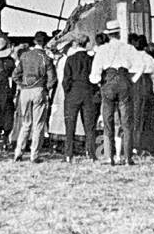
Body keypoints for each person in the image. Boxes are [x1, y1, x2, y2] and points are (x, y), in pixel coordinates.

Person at [90, 20, 143, 165]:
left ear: (108, 35)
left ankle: (109, 157)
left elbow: (95, 73)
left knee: (108, 121)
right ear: (119, 33)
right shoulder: (128, 48)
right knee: (126, 122)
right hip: (124, 81)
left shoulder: (102, 50)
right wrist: (132, 80)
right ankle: (127, 158)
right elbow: (140, 66)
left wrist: (98, 82)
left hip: (108, 82)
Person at [12, 31, 57, 162]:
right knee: (38, 125)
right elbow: (52, 79)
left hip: (25, 91)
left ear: (34, 41)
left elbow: (15, 75)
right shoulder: (46, 58)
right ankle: (34, 155)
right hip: (39, 90)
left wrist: (22, 84)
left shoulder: (25, 55)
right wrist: (46, 89)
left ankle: (18, 152)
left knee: (26, 123)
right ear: (45, 42)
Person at [60, 32, 98, 162]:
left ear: (76, 43)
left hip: (73, 93)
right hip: (88, 93)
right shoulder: (91, 59)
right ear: (87, 43)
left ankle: (68, 154)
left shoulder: (70, 59)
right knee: (89, 125)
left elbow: (65, 80)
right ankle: (91, 153)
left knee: (70, 125)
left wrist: (68, 93)